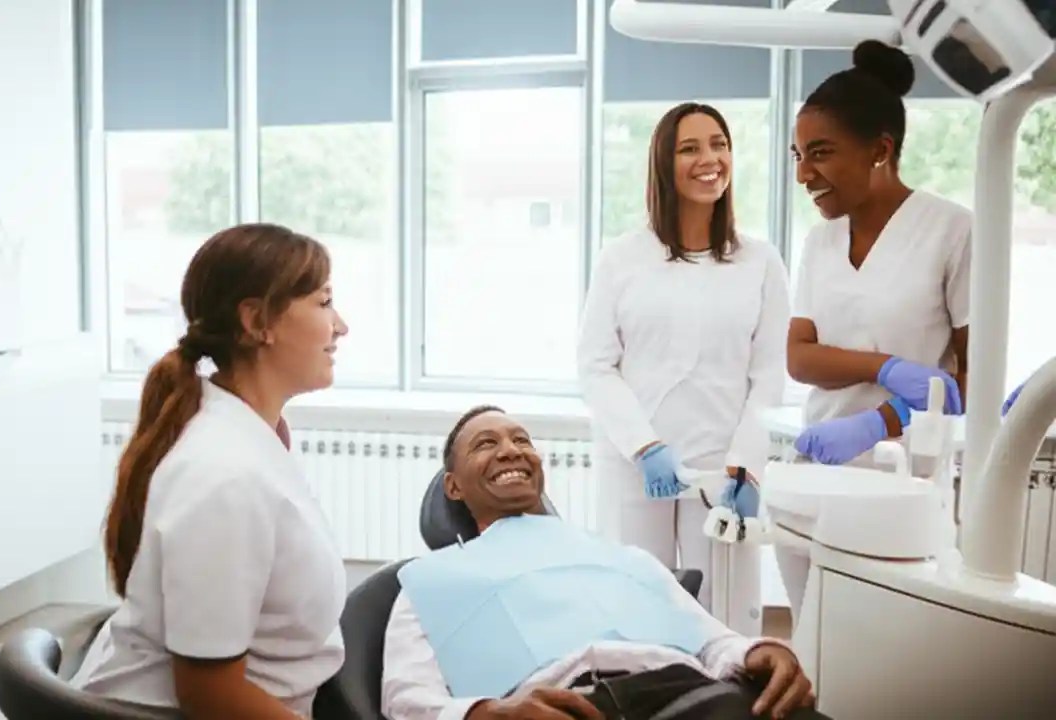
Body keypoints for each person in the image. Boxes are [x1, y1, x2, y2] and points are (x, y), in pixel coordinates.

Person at [381, 406, 825, 720]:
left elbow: (713, 642)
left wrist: (758, 650)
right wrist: (487, 713)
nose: (511, 450)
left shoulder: (622, 559)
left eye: (521, 440)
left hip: (692, 692)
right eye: (485, 443)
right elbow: (405, 697)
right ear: (453, 487)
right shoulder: (432, 583)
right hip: (568, 706)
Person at [69, 224, 350, 719]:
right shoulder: (225, 474)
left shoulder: (250, 437)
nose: (341, 326)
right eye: (324, 303)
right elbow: (211, 695)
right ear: (258, 320)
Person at [578, 102, 790, 629]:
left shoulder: (760, 262)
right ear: (663, 164)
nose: (709, 158)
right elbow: (596, 365)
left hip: (723, 467)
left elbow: (769, 375)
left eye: (719, 144)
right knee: (634, 608)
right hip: (636, 465)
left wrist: (748, 466)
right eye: (690, 147)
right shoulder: (622, 258)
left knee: (723, 618)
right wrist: (645, 446)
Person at [781, 40, 972, 620]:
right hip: (819, 472)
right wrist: (884, 369)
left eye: (819, 153)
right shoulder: (821, 239)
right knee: (811, 647)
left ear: (880, 150)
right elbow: (799, 357)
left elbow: (972, 381)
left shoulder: (951, 231)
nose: (802, 173)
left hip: (906, 478)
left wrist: (881, 422)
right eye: (796, 155)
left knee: (878, 654)